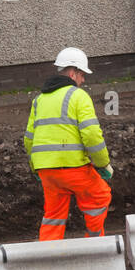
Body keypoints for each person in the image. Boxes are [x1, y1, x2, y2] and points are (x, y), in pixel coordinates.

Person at [23, 47, 113, 239]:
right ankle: (95, 245)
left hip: (47, 171)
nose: (83, 80)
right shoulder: (78, 96)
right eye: (82, 75)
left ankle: (49, 258)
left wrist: (36, 168)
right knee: (99, 197)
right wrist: (102, 163)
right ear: (73, 73)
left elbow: (29, 139)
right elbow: (91, 136)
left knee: (53, 215)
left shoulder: (39, 100)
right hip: (73, 167)